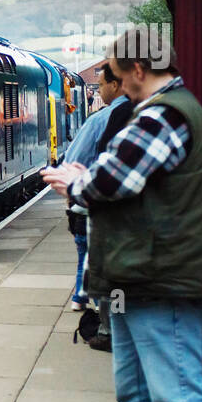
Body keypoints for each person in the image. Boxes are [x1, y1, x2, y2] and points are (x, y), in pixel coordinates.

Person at [41, 35, 202, 402]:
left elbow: (111, 183)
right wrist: (89, 177)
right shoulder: (168, 111)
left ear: (140, 68)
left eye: (119, 75)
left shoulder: (163, 115)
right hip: (134, 276)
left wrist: (75, 181)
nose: (116, 86)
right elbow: (126, 179)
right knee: (139, 391)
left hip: (160, 277)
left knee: (178, 397)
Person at [62, 66, 130, 316]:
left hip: (96, 211)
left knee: (94, 261)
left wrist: (73, 192)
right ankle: (106, 314)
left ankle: (106, 321)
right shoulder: (149, 114)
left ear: (116, 85)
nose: (98, 91)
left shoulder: (101, 119)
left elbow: (72, 162)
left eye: (100, 85)